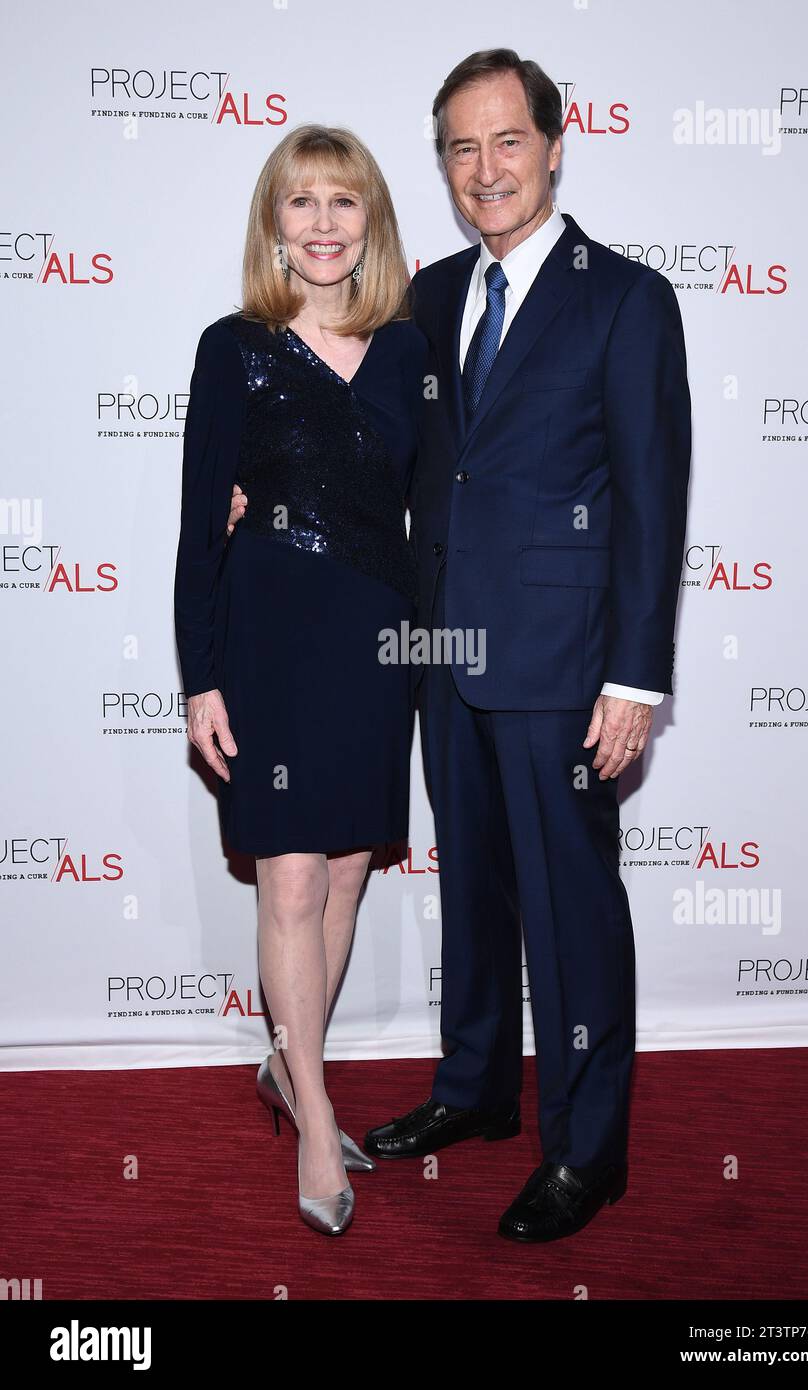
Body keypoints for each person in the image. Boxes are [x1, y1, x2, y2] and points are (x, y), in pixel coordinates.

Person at [228, 48, 692, 1245]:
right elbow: (355, 438)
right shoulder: (428, 299)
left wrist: (635, 675)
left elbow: (651, 497)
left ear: (552, 141)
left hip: (566, 665)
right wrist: (255, 495)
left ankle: (588, 1153)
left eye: (506, 141)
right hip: (438, 648)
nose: (485, 168)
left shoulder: (625, 298)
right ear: (441, 166)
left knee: (570, 908)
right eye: (459, 148)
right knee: (475, 893)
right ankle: (477, 1085)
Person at [174, 124, 425, 1236]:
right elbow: (197, 526)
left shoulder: (415, 352)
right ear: (273, 224)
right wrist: (201, 676)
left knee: (346, 877)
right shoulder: (233, 347)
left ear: (370, 221)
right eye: (301, 203)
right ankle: (315, 1116)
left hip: (376, 640)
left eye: (343, 201)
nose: (322, 224)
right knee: (288, 885)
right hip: (269, 635)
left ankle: (289, 1069)